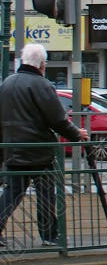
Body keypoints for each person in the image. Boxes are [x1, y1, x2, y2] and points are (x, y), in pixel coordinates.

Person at [0, 43, 87, 246]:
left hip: (12, 149)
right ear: (41, 64)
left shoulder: (7, 83)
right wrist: (77, 134)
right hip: (39, 151)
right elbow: (57, 119)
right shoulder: (42, 85)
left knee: (12, 193)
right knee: (46, 194)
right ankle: (50, 235)